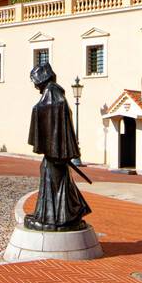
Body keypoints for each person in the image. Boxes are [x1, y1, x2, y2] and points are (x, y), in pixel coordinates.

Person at [25, 62, 91, 231]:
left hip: (56, 155)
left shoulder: (53, 96)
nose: (34, 86)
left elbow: (45, 108)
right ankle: (49, 215)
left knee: (52, 179)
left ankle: (54, 220)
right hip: (57, 154)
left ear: (42, 79)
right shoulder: (55, 94)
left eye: (35, 82)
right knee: (54, 178)